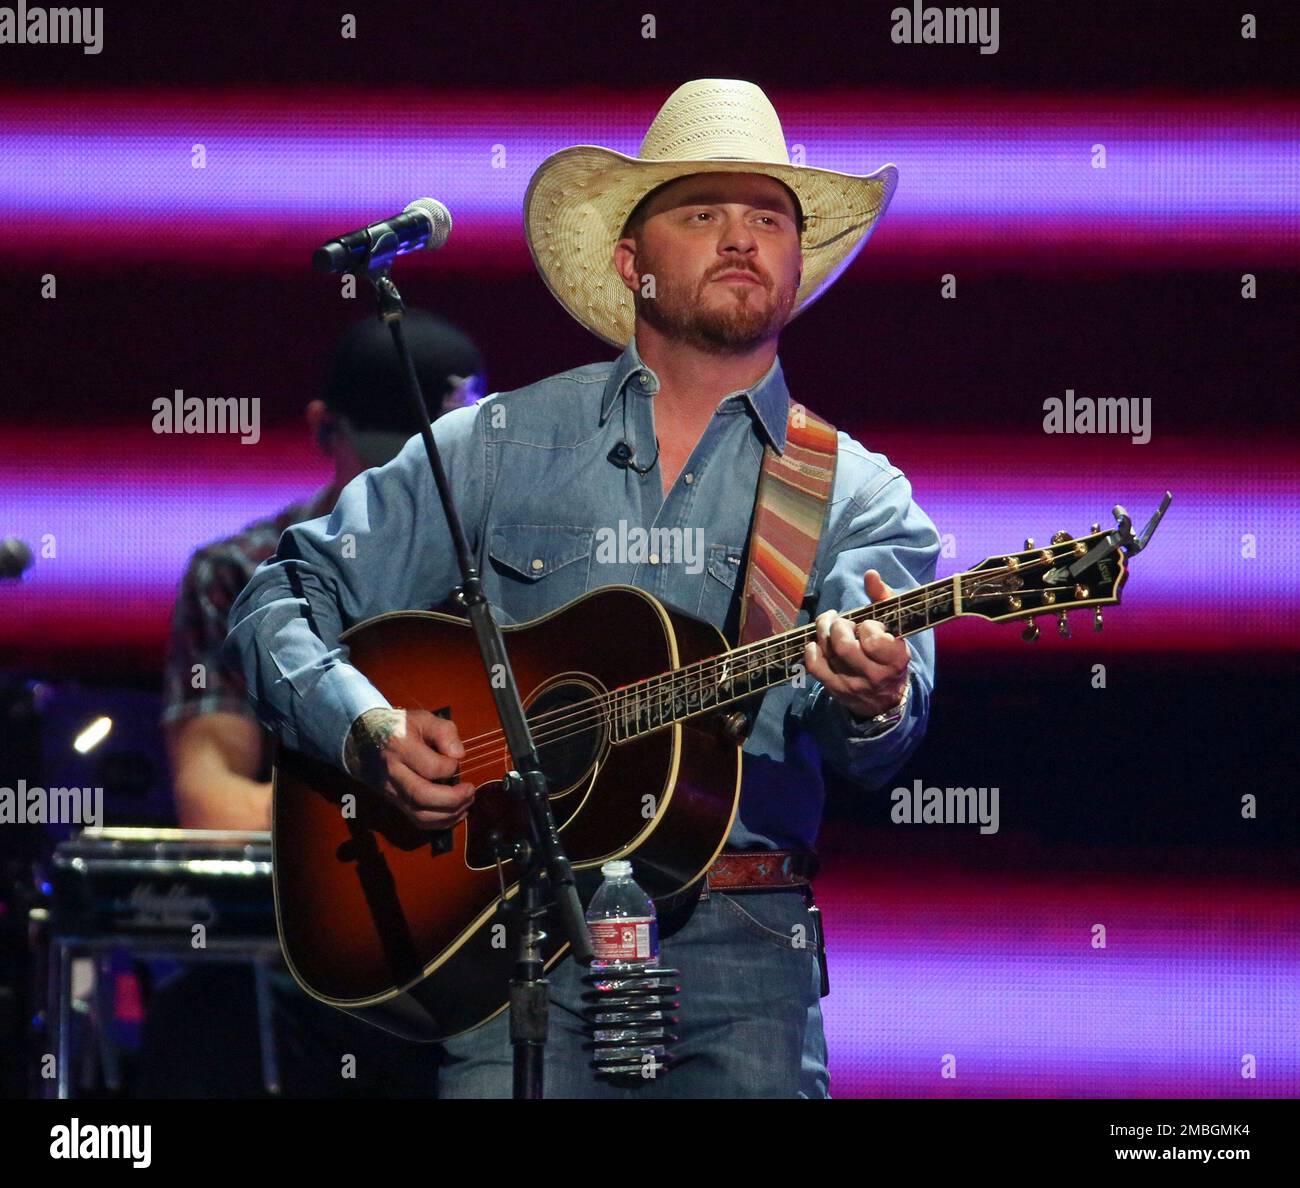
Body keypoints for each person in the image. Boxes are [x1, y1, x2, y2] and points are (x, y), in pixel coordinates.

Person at [226, 78, 940, 1099]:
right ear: (629, 262)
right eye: (702, 213)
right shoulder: (499, 445)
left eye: (768, 218)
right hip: (516, 941)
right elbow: (278, 597)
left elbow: (886, 737)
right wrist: (366, 729)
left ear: (796, 262)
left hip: (747, 956)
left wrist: (876, 699)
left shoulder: (855, 491)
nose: (741, 238)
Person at [138, 310, 485, 1098]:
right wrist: (397, 805)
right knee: (211, 1023)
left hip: (484, 935)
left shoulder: (513, 565)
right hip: (311, 942)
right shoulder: (238, 573)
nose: (416, 480)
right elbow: (213, 800)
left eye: (442, 454)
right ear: (324, 428)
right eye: (392, 452)